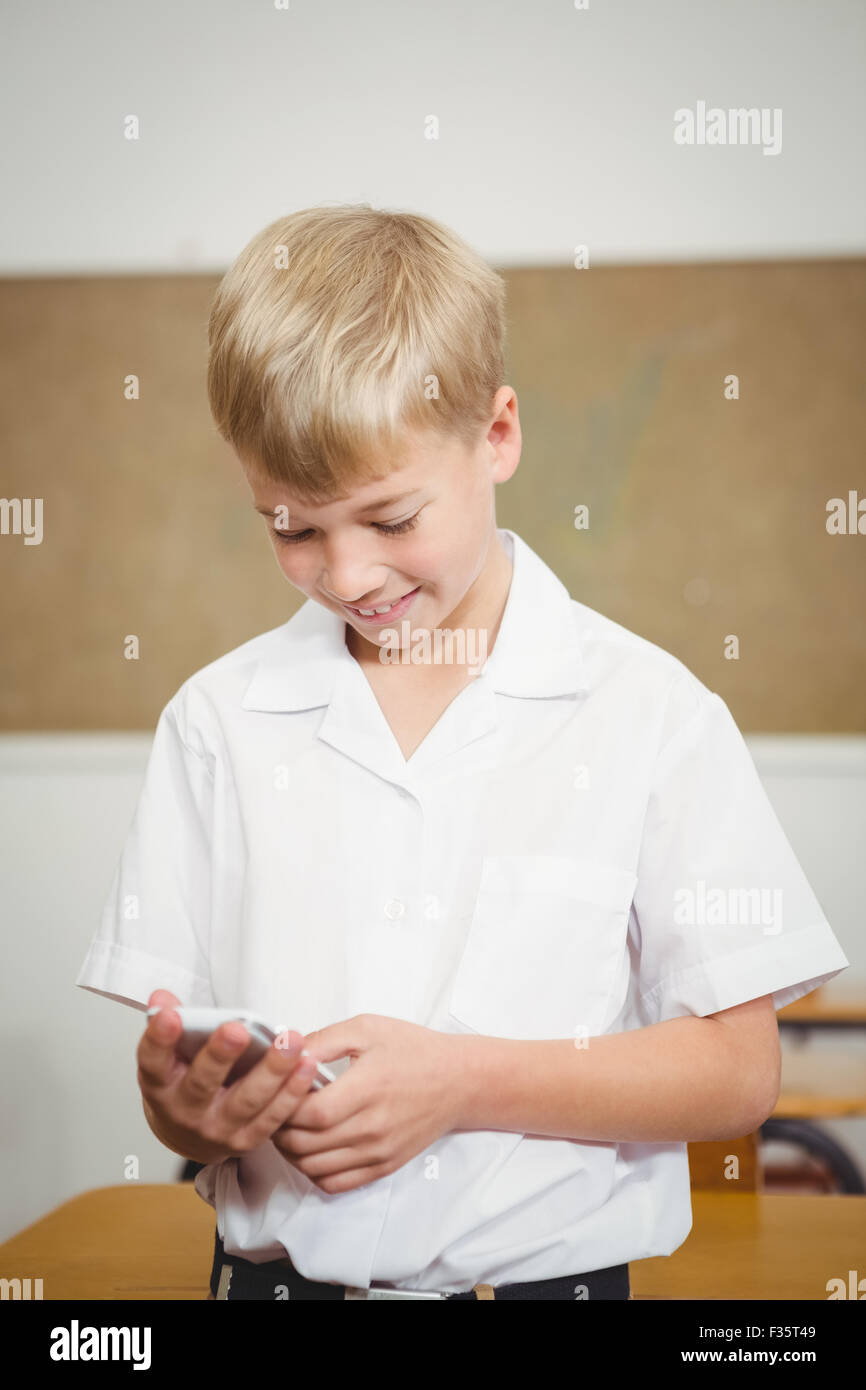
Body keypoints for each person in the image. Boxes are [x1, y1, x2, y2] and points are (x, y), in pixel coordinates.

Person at [75, 205, 849, 1301]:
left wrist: (463, 1082)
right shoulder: (218, 722)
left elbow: (735, 1073)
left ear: (496, 435)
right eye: (292, 527)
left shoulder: (649, 713)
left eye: (390, 519)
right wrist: (186, 1104)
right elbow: (173, 1092)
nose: (344, 575)